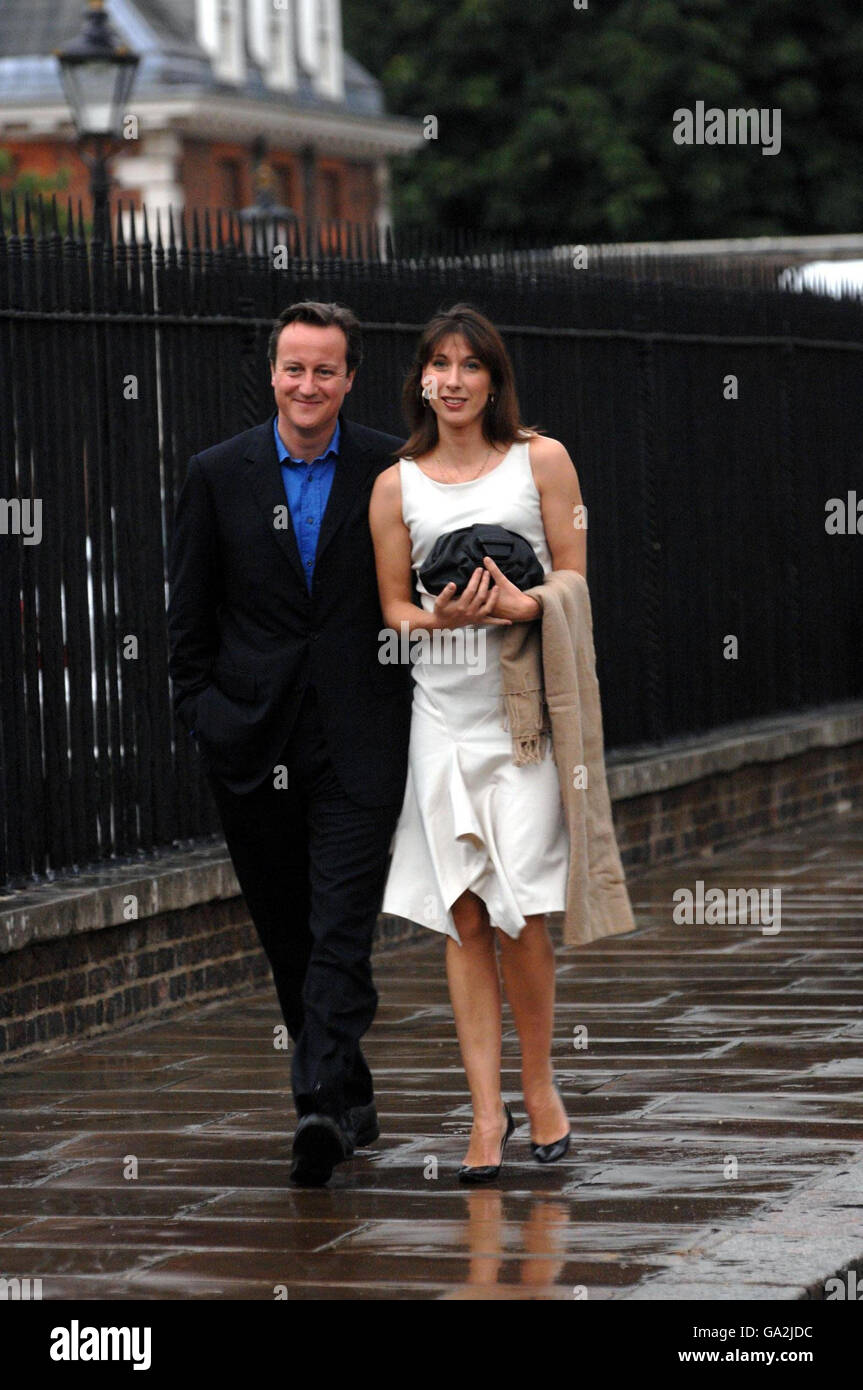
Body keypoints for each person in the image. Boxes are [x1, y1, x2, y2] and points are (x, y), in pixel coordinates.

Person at [167, 301, 411, 1186]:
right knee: (289, 934)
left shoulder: (391, 466)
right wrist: (204, 713)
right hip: (251, 738)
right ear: (272, 374)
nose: (307, 385)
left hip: (361, 738)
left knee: (340, 921)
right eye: (293, 368)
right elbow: (188, 621)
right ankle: (348, 1084)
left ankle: (314, 1102)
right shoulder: (217, 474)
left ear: (349, 380)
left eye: (325, 370)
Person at [369, 304, 586, 1181]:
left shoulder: (542, 460)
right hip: (443, 717)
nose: (452, 379)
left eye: (469, 365)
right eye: (438, 364)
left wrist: (522, 605)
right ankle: (485, 1115)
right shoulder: (397, 484)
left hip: (522, 714)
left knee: (522, 910)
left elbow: (573, 574)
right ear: (421, 378)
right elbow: (390, 606)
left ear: (492, 379)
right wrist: (435, 616)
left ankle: (539, 1087)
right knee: (462, 913)